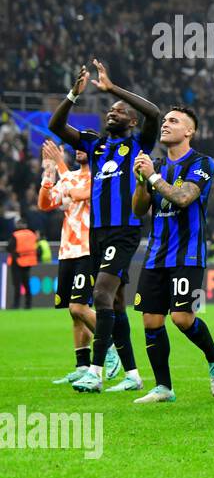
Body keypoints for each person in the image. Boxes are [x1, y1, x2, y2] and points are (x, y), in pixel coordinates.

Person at [48, 60, 157, 394]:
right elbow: (56, 124)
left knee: (100, 295)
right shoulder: (95, 145)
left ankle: (95, 371)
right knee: (117, 303)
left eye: (120, 111)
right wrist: (73, 95)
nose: (113, 112)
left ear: (132, 120)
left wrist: (113, 88)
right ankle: (133, 375)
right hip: (98, 233)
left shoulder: (139, 143)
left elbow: (154, 112)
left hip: (124, 229)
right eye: (110, 109)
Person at [128, 106, 214, 403]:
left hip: (188, 255)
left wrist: (153, 178)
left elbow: (184, 198)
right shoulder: (156, 165)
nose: (165, 124)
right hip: (156, 255)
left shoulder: (203, 163)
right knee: (151, 321)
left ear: (189, 131)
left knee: (182, 318)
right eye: (165, 120)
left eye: (174, 121)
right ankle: (164, 387)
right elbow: (138, 209)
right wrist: (143, 181)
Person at [38, 140, 121, 383]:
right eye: (77, 145)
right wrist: (49, 169)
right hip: (67, 251)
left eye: (84, 144)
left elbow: (78, 193)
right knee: (73, 314)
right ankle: (82, 366)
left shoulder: (102, 176)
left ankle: (112, 347)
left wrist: (60, 164)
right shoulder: (69, 175)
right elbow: (44, 204)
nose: (79, 148)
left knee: (79, 307)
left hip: (88, 249)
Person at [5, 218, 37, 309]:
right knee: (27, 284)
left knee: (17, 285)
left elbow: (9, 247)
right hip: (28, 261)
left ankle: (16, 305)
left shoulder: (16, 235)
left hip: (17, 261)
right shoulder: (32, 234)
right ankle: (28, 305)